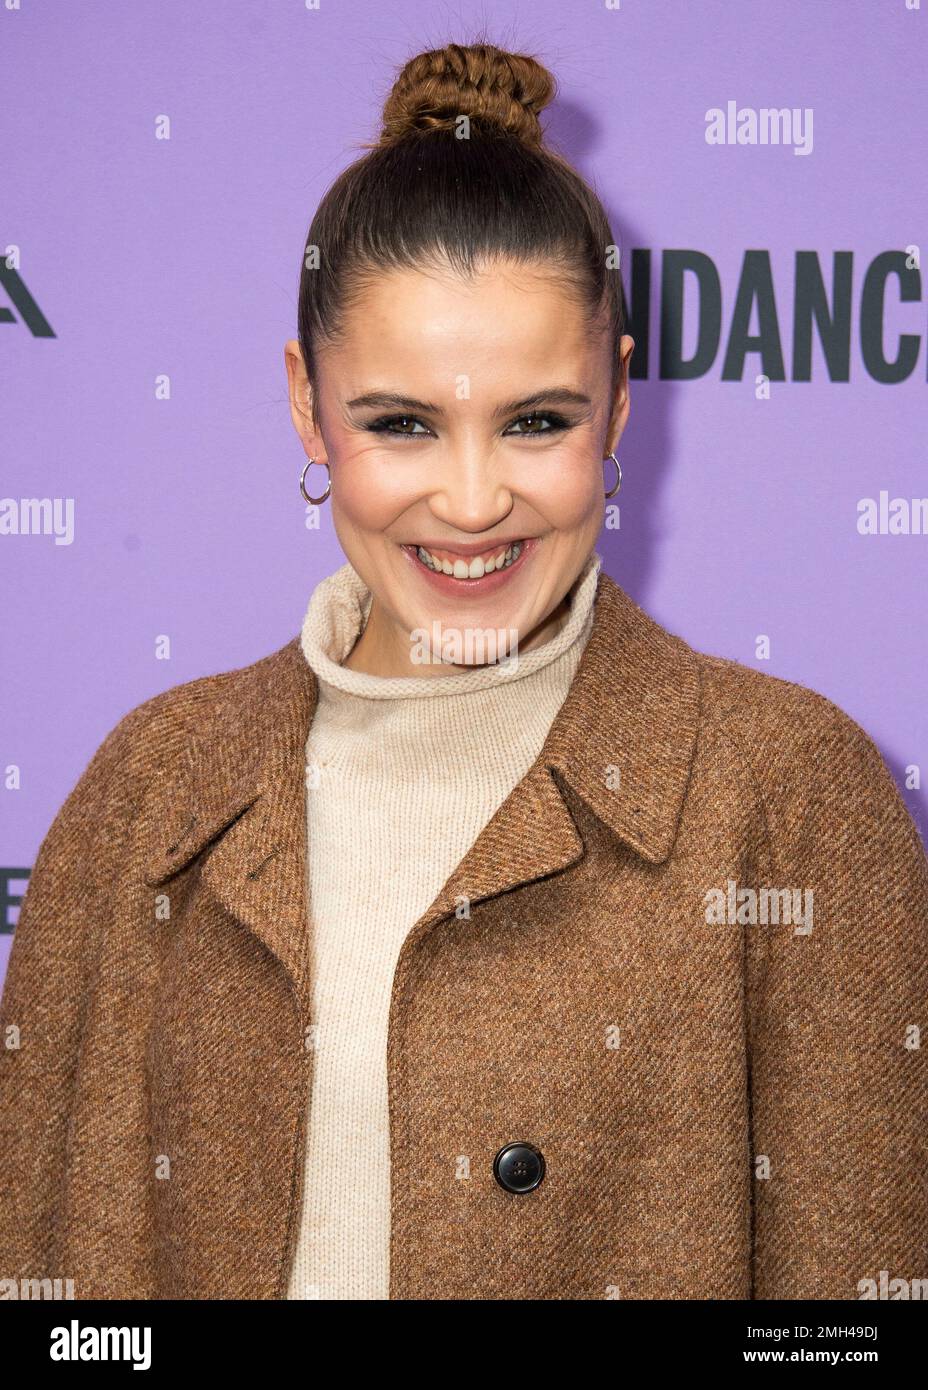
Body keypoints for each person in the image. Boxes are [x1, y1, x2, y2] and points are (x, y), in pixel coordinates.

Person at [1, 41, 925, 1303]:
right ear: (305, 408)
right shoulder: (149, 786)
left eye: (537, 420)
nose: (476, 500)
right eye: (401, 424)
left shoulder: (785, 791)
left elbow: (853, 1316)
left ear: (616, 409)